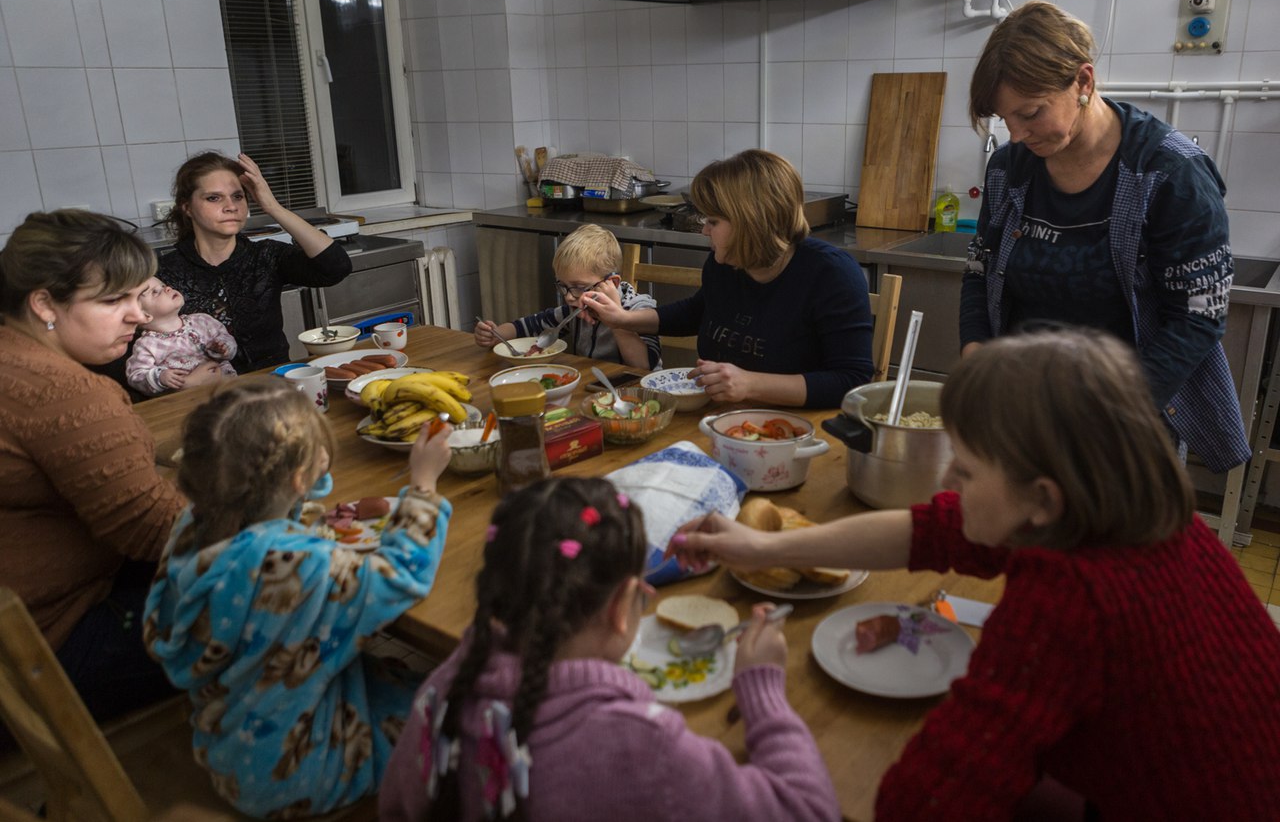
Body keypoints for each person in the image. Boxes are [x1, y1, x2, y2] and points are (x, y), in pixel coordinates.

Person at [668, 329, 1280, 820]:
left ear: (1041, 498)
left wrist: (768, 702)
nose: (946, 482)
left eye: (964, 470)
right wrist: (762, 548)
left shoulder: (1071, 599)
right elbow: (929, 531)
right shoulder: (1129, 516)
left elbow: (922, 803)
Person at [379, 476, 840, 822]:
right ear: (622, 607)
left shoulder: (443, 689)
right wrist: (762, 689)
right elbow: (809, 809)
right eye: (641, 590)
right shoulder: (643, 746)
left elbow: (396, 807)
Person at [144, 377, 453, 818]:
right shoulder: (297, 565)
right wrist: (423, 485)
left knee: (401, 677)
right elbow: (402, 575)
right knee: (456, 716)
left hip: (227, 747)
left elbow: (271, 501)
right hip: (301, 768)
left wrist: (303, 478)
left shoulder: (190, 528)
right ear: (298, 477)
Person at [960, 0, 1248, 473]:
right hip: (1021, 408)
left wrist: (1107, 415)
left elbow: (1198, 318)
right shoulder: (1009, 170)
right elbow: (980, 267)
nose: (1017, 135)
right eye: (1005, 119)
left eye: (1030, 113)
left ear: (1083, 82)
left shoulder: (1170, 174)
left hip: (1123, 423)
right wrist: (975, 351)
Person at [0, 209, 185, 724]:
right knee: (284, 604)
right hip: (49, 648)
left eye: (137, 296)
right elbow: (160, 530)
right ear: (44, 304)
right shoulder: (66, 391)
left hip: (26, 624)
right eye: (112, 301)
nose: (139, 316)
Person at [583, 149, 872, 409]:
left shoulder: (830, 273)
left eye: (713, 221)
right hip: (725, 416)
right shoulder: (727, 264)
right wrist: (622, 319)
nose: (704, 231)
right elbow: (698, 312)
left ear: (751, 221)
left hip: (798, 429)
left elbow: (852, 381)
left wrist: (750, 383)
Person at [158, 151, 352, 373]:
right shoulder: (164, 272)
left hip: (272, 383)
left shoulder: (265, 255)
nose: (231, 206)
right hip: (203, 390)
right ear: (187, 207)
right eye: (214, 198)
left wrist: (272, 207)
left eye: (238, 196)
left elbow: (336, 267)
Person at [474, 224, 660, 370]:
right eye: (563, 286)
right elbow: (530, 326)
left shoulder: (640, 309)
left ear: (612, 283)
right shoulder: (575, 310)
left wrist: (617, 319)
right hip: (593, 386)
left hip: (636, 395)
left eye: (578, 287)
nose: (569, 297)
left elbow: (643, 366)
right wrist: (496, 335)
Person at [124, 277, 237, 396]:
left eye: (163, 286)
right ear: (144, 315)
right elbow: (136, 375)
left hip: (230, 386)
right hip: (187, 399)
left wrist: (223, 347)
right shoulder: (147, 344)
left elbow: (227, 339)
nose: (168, 288)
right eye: (155, 292)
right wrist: (160, 378)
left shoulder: (202, 321)